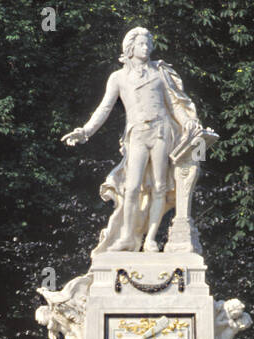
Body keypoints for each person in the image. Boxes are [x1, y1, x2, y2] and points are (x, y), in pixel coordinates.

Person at [62, 28, 207, 253]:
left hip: (160, 132)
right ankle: (128, 237)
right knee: (131, 187)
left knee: (160, 186)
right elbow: (105, 107)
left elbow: (174, 104)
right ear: (129, 48)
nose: (146, 47)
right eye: (141, 44)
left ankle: (150, 238)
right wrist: (85, 131)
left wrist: (188, 121)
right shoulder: (118, 77)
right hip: (137, 134)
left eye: (148, 44)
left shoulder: (160, 73)